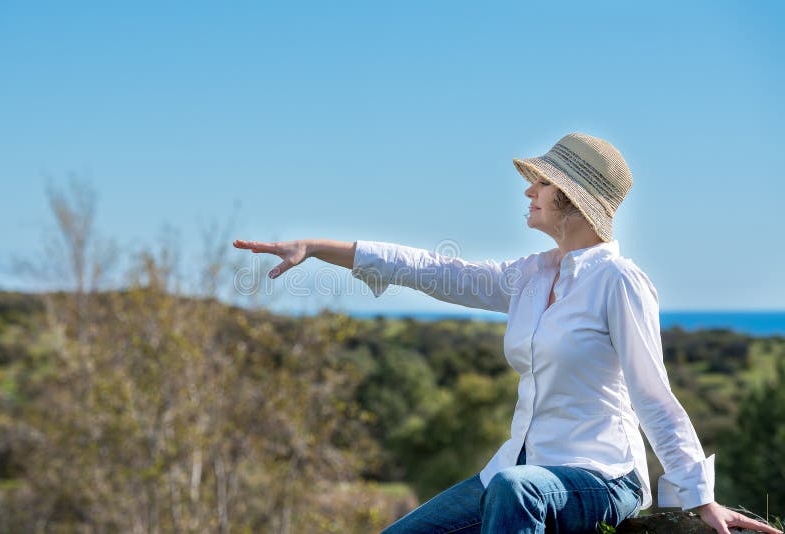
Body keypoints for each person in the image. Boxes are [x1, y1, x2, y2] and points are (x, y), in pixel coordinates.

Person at [233, 133, 781, 534]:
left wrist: (698, 496)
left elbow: (654, 396)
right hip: (514, 470)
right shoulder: (530, 275)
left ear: (573, 196)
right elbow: (435, 270)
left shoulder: (619, 281)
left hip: (600, 477)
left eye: (541, 182)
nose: (529, 192)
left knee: (517, 490)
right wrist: (318, 249)